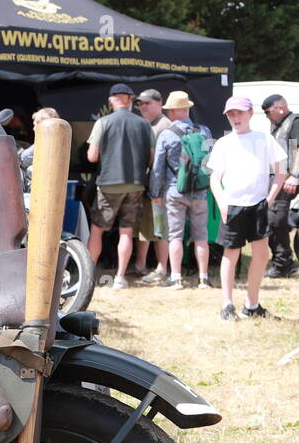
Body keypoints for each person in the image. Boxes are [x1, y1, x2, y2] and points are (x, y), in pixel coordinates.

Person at [206, 95, 287, 320]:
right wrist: (222, 202)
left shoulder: (265, 139)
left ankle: (252, 304)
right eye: (231, 114)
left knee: (261, 254)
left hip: (258, 204)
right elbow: (215, 178)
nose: (235, 118)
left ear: (250, 114)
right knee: (231, 254)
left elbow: (281, 171)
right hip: (232, 205)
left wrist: (269, 199)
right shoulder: (223, 143)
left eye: (239, 113)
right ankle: (227, 304)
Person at [86, 83, 155, 288]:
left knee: (97, 230)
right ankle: (120, 278)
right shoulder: (144, 124)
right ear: (130, 100)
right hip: (135, 184)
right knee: (126, 231)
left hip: (108, 185)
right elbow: (151, 158)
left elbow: (92, 156)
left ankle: (88, 277)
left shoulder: (103, 122)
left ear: (111, 101)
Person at [151, 91, 213, 289]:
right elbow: (209, 161)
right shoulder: (204, 131)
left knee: (175, 235)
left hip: (174, 192)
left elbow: (157, 167)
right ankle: (204, 278)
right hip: (200, 192)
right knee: (201, 236)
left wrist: (155, 193)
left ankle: (176, 278)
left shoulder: (167, 134)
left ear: (174, 111)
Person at [261, 94, 299, 278]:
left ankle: (283, 263)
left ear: (280, 108)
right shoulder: (280, 125)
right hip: (278, 178)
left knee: (275, 218)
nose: (266, 116)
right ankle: (283, 261)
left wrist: (295, 175)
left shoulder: (296, 123)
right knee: (272, 218)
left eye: (268, 112)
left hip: (288, 179)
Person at [134, 89, 172, 281]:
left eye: (147, 103)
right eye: (140, 104)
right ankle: (141, 265)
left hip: (160, 187)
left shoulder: (164, 126)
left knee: (160, 228)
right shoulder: (149, 125)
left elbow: (158, 162)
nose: (142, 107)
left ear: (160, 103)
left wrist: (156, 189)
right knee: (147, 226)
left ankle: (162, 268)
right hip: (150, 185)